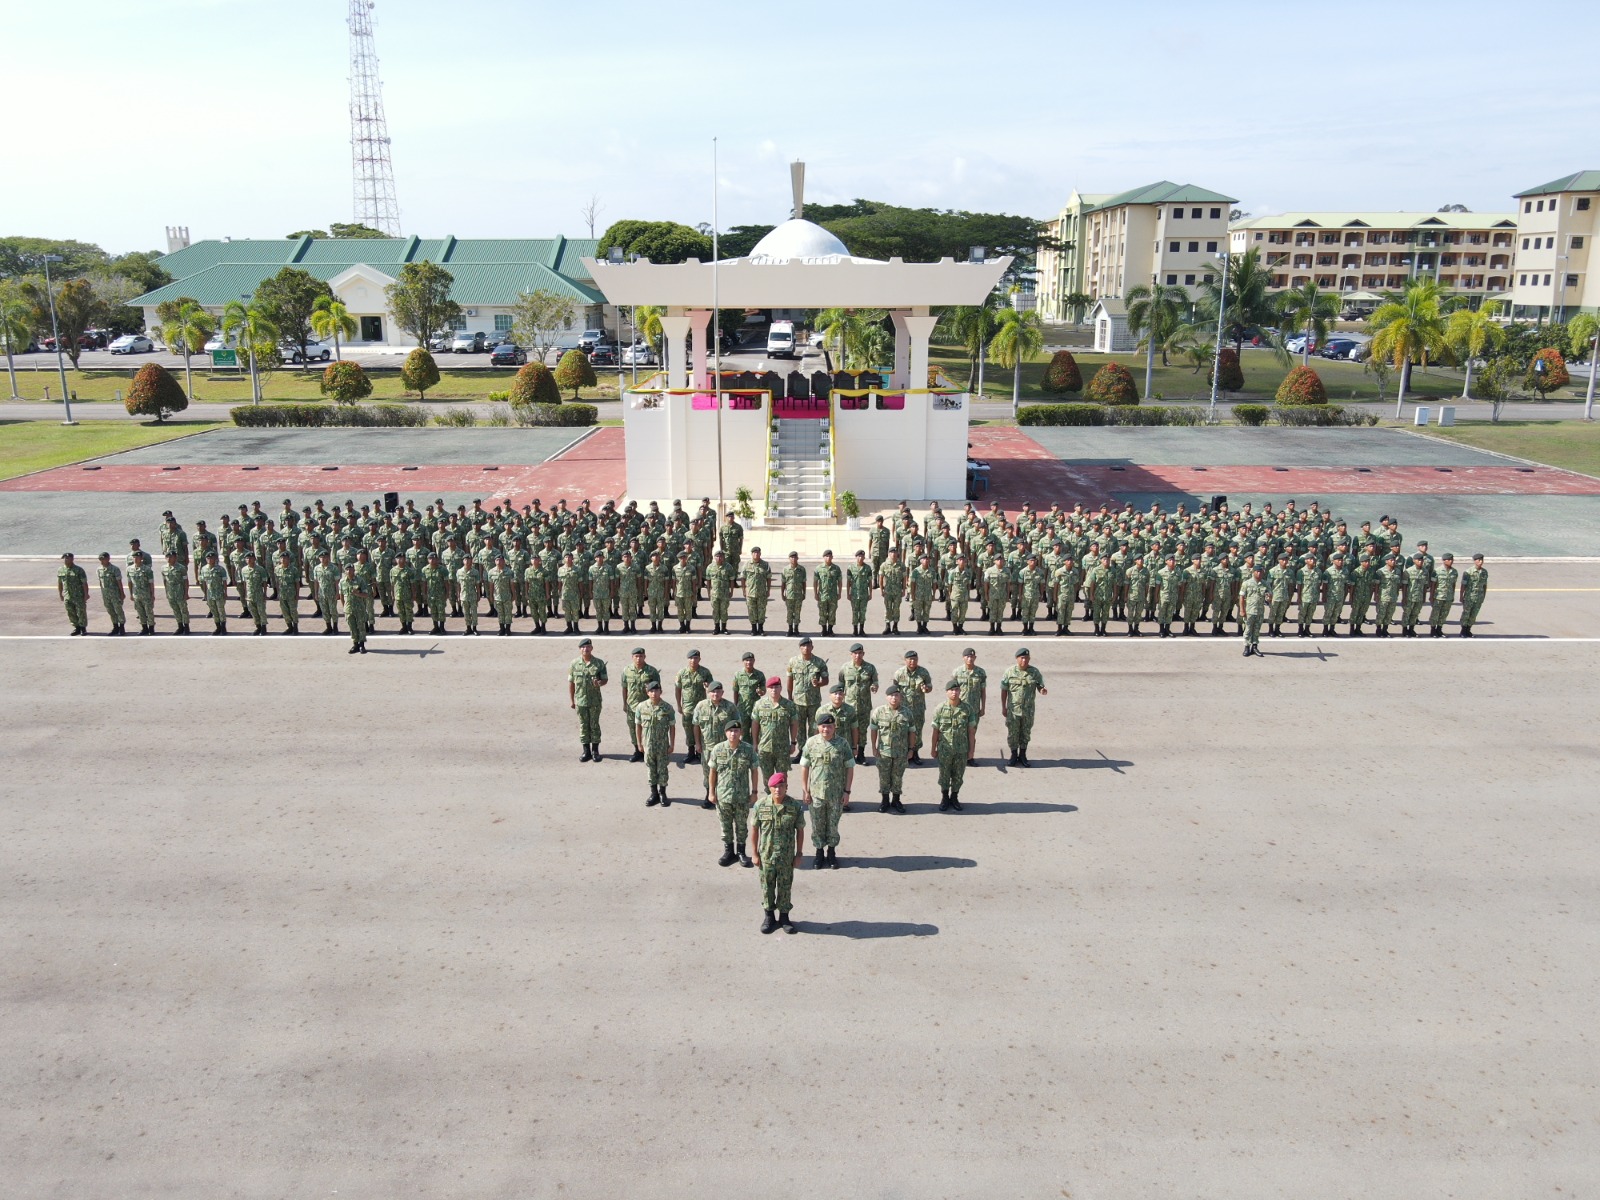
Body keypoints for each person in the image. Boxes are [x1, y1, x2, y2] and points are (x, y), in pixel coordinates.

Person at [749, 772, 804, 934]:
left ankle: (785, 917)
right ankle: (769, 917)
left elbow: (800, 830)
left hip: (786, 857)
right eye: (774, 786)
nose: (778, 790)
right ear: (769, 788)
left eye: (781, 786)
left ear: (786, 787)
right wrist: (754, 853)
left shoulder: (794, 806)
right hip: (766, 856)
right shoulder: (760, 805)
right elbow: (754, 830)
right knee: (767, 887)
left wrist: (799, 854)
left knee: (785, 886)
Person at [799, 711, 853, 869]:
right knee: (817, 825)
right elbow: (804, 767)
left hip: (836, 794)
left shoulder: (842, 744)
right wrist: (805, 790)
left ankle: (831, 853)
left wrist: (847, 791)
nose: (826, 729)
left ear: (834, 727)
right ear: (818, 727)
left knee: (833, 825)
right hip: (816, 793)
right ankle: (819, 853)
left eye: (829, 726)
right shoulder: (811, 743)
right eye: (823, 726)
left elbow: (849, 768)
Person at [707, 721, 759, 867]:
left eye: (736, 731)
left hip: (742, 796)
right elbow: (713, 772)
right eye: (730, 731)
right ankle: (729, 852)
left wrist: (754, 792)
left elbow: (754, 771)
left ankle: (741, 852)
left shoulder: (748, 750)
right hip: (723, 795)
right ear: (725, 733)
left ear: (740, 732)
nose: (733, 734)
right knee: (725, 825)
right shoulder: (718, 749)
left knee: (742, 825)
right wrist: (711, 792)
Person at [692, 681, 739, 807]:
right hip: (708, 747)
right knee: (708, 773)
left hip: (725, 747)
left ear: (722, 692)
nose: (715, 694)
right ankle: (709, 795)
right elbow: (696, 726)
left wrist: (736, 744)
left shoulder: (730, 707)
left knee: (726, 772)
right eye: (713, 691)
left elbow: (737, 726)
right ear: (708, 693)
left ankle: (724, 797)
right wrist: (697, 743)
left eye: (718, 691)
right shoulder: (701, 706)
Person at [930, 681, 975, 811]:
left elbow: (971, 732)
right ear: (947, 692)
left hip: (961, 749)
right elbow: (935, 732)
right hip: (944, 749)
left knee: (958, 775)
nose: (954, 693)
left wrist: (971, 751)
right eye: (951, 690)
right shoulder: (940, 709)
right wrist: (933, 749)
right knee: (944, 774)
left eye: (957, 690)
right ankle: (945, 797)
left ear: (960, 692)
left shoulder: (967, 709)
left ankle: (954, 797)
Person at [1000, 648, 1047, 767]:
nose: (1024, 660)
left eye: (1026, 658)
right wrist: (1004, 707)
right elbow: (1004, 690)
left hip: (1028, 710)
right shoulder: (1009, 672)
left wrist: (1042, 690)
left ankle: (1023, 755)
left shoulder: (1034, 672)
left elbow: (1039, 685)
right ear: (1017, 659)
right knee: (1013, 733)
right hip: (1013, 710)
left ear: (1029, 659)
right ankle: (1013, 755)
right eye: (1022, 658)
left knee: (1025, 733)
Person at [869, 684, 911, 813]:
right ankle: (885, 800)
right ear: (887, 697)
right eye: (891, 696)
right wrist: (874, 748)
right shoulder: (879, 712)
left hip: (901, 752)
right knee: (884, 777)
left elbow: (912, 732)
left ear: (900, 697)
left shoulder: (906, 712)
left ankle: (896, 800)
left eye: (896, 695)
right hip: (884, 751)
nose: (894, 698)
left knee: (898, 777)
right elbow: (874, 730)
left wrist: (911, 749)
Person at [635, 680, 676, 807]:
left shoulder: (667, 708)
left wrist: (672, 744)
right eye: (651, 691)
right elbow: (638, 726)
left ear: (660, 691)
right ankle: (654, 793)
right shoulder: (641, 707)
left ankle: (663, 793)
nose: (654, 693)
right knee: (651, 769)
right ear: (647, 693)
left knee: (662, 769)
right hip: (648, 744)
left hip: (662, 745)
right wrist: (639, 744)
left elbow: (672, 727)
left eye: (656, 691)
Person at [751, 675, 799, 782]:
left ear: (781, 688)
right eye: (771, 688)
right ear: (767, 689)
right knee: (767, 779)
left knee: (782, 778)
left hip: (782, 749)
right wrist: (755, 742)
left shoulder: (789, 705)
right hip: (765, 748)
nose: (774, 690)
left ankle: (781, 798)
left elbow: (794, 724)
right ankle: (769, 797)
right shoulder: (759, 704)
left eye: (776, 687)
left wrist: (793, 743)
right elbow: (755, 724)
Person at [785, 637, 829, 754]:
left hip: (814, 701)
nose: (806, 648)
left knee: (814, 727)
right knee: (799, 728)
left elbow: (826, 680)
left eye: (808, 646)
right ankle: (801, 751)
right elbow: (790, 680)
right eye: (803, 646)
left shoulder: (819, 662)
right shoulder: (793, 662)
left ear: (812, 647)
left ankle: (811, 750)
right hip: (798, 701)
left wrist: (819, 683)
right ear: (800, 648)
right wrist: (789, 697)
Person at [568, 637, 608, 762]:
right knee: (583, 725)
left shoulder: (599, 663)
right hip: (580, 700)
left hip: (595, 700)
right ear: (580, 649)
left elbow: (605, 680)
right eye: (583, 647)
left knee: (594, 725)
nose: (586, 649)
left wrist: (599, 683)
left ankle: (595, 751)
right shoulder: (574, 664)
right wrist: (572, 700)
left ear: (592, 648)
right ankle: (586, 751)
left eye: (588, 647)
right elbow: (571, 682)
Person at [838, 642, 878, 766]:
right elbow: (840, 685)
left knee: (862, 730)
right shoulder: (845, 668)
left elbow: (875, 681)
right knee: (847, 730)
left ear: (863, 654)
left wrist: (874, 686)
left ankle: (861, 754)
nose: (857, 656)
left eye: (860, 653)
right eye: (855, 653)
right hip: (848, 706)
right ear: (851, 655)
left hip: (864, 706)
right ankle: (848, 753)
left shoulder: (870, 668)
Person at [893, 650, 934, 764]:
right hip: (903, 709)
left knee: (917, 731)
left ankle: (915, 754)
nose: (912, 661)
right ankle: (904, 754)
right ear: (905, 660)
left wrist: (926, 688)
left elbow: (930, 686)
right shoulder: (899, 673)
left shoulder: (923, 672)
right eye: (910, 659)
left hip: (918, 708)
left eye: (915, 659)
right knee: (902, 730)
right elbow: (894, 690)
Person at [622, 647, 660, 763]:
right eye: (636, 656)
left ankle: (650, 752)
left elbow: (657, 690)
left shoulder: (652, 671)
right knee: (633, 729)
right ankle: (637, 751)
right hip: (632, 705)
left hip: (647, 707)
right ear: (632, 657)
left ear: (644, 657)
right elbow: (624, 688)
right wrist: (624, 703)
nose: (638, 659)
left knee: (649, 729)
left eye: (641, 656)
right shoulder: (626, 670)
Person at [951, 647, 987, 766]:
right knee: (959, 733)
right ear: (963, 658)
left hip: (974, 709)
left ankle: (970, 757)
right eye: (967, 656)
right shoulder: (956, 672)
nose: (969, 658)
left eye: (972, 656)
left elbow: (983, 691)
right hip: (960, 709)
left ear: (975, 658)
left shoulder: (981, 673)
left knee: (971, 733)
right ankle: (958, 757)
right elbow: (952, 692)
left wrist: (983, 708)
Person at [676, 649, 712, 765]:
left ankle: (700, 752)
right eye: (691, 658)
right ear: (688, 660)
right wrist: (679, 704)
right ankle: (690, 752)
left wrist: (707, 686)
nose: (693, 660)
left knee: (702, 728)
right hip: (687, 707)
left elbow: (712, 688)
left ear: (699, 659)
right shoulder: (682, 673)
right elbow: (678, 689)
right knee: (688, 729)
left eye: (696, 658)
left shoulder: (705, 672)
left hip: (701, 707)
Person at [339, 563, 372, 654]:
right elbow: (341, 595)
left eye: (351, 569)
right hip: (348, 609)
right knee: (352, 627)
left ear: (354, 570)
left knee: (361, 627)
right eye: (347, 569)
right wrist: (344, 607)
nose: (349, 571)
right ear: (344, 571)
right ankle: (355, 644)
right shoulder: (342, 582)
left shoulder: (360, 580)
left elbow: (366, 594)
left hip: (359, 608)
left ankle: (362, 645)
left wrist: (358, 594)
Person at [125, 544, 157, 635]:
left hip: (146, 594)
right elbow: (130, 582)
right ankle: (144, 628)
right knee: (140, 612)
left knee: (149, 611)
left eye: (137, 557)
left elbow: (151, 583)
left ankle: (151, 628)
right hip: (136, 594)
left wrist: (152, 594)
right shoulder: (129, 569)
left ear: (141, 558)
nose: (135, 559)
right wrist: (131, 594)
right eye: (134, 557)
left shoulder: (147, 570)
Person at [741, 546, 772, 635]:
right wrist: (744, 590)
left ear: (760, 554)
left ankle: (761, 628)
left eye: (757, 553)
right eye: (754, 553)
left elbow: (768, 578)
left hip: (762, 593)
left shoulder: (765, 565)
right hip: (750, 593)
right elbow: (742, 578)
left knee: (761, 611)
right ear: (751, 554)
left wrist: (768, 590)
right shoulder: (747, 565)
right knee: (751, 611)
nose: (756, 554)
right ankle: (753, 628)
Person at [1238, 565, 1267, 657]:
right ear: (1253, 572)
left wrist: (1269, 598)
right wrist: (1242, 610)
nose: (1259, 573)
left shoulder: (1265, 584)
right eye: (1257, 571)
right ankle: (1246, 647)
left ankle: (1254, 647)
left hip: (1260, 611)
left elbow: (1269, 596)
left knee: (1257, 630)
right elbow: (1241, 597)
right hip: (1249, 611)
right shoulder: (1246, 583)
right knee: (1248, 630)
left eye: (1260, 572)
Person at [199, 551, 230, 634]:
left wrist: (225, 593)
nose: (210, 559)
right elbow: (203, 582)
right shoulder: (204, 569)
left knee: (221, 611)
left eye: (212, 558)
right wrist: (205, 594)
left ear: (215, 559)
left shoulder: (220, 569)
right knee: (214, 611)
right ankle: (218, 627)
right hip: (210, 594)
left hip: (219, 593)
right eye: (208, 558)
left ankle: (223, 628)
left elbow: (224, 582)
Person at [96, 552, 127, 636]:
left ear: (108, 559)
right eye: (100, 559)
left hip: (115, 594)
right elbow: (100, 582)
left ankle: (121, 627)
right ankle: (115, 626)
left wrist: (122, 593)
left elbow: (119, 582)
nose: (102, 561)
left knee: (118, 610)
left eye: (103, 559)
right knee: (110, 611)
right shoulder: (99, 569)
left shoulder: (114, 569)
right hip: (106, 594)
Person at [1458, 554, 1489, 637]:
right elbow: (1463, 585)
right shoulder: (1468, 572)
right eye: (1479, 560)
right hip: (1469, 597)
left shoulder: (1484, 572)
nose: (1481, 562)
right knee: (1466, 614)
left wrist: (1483, 596)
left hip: (1479, 597)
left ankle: (1468, 630)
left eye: (1482, 560)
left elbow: (1484, 585)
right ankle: (1463, 630)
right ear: (1475, 561)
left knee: (1474, 615)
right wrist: (1461, 596)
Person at [845, 549, 873, 638]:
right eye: (859, 556)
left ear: (864, 557)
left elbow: (870, 582)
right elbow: (848, 582)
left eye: (862, 556)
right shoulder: (850, 568)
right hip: (854, 594)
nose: (860, 558)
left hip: (864, 594)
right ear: (856, 557)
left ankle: (861, 630)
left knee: (863, 612)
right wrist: (848, 594)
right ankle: (855, 630)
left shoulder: (868, 568)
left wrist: (870, 593)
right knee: (854, 612)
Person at [813, 549, 842, 636]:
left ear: (832, 557)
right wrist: (815, 593)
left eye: (830, 556)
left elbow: (839, 582)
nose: (828, 558)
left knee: (832, 613)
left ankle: (830, 629)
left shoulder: (836, 569)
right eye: (826, 556)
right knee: (822, 613)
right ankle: (823, 630)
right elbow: (815, 582)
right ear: (823, 557)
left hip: (833, 595)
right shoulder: (818, 568)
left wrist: (839, 593)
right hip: (822, 595)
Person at [162, 551, 191, 635]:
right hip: (171, 593)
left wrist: (186, 593)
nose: (169, 559)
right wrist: (166, 592)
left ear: (175, 557)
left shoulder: (181, 568)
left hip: (180, 592)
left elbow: (186, 581)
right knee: (175, 610)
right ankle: (180, 626)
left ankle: (186, 627)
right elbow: (165, 581)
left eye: (171, 557)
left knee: (183, 610)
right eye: (167, 557)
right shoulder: (164, 568)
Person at [706, 549, 735, 635]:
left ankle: (724, 628)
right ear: (715, 557)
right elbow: (708, 581)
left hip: (725, 593)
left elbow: (732, 580)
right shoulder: (710, 567)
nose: (719, 558)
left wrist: (731, 591)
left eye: (721, 556)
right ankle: (716, 627)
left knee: (724, 610)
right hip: (714, 593)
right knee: (715, 610)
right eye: (717, 556)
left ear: (724, 557)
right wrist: (708, 592)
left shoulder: (728, 567)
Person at [1430, 553, 1459, 638]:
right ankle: (1433, 630)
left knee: (1444, 614)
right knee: (1435, 614)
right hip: (1438, 596)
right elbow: (1433, 585)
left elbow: (1453, 584)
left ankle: (1439, 629)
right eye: (1449, 560)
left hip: (1448, 597)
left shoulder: (1454, 572)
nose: (1451, 561)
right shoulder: (1437, 571)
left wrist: (1453, 595)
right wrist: (1431, 596)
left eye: (1452, 559)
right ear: (1444, 560)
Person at [780, 551, 807, 636]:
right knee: (789, 613)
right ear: (789, 559)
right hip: (789, 595)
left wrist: (804, 593)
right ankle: (790, 629)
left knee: (797, 612)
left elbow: (804, 582)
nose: (793, 559)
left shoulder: (802, 569)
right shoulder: (785, 569)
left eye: (795, 557)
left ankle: (796, 629)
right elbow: (783, 583)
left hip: (799, 595)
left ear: (797, 558)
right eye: (792, 557)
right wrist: (782, 594)